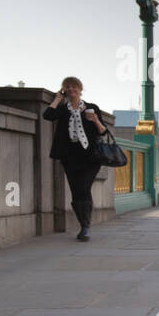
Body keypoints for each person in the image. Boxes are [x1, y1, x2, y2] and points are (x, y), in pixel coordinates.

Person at [43, 77, 107, 242]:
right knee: (76, 191)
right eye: (67, 87)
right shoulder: (63, 109)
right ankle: (83, 225)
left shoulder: (92, 108)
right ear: (64, 89)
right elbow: (47, 115)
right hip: (69, 156)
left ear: (80, 89)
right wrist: (57, 98)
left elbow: (102, 132)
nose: (71, 89)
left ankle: (85, 227)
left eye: (74, 87)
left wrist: (95, 120)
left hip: (90, 156)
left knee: (84, 188)